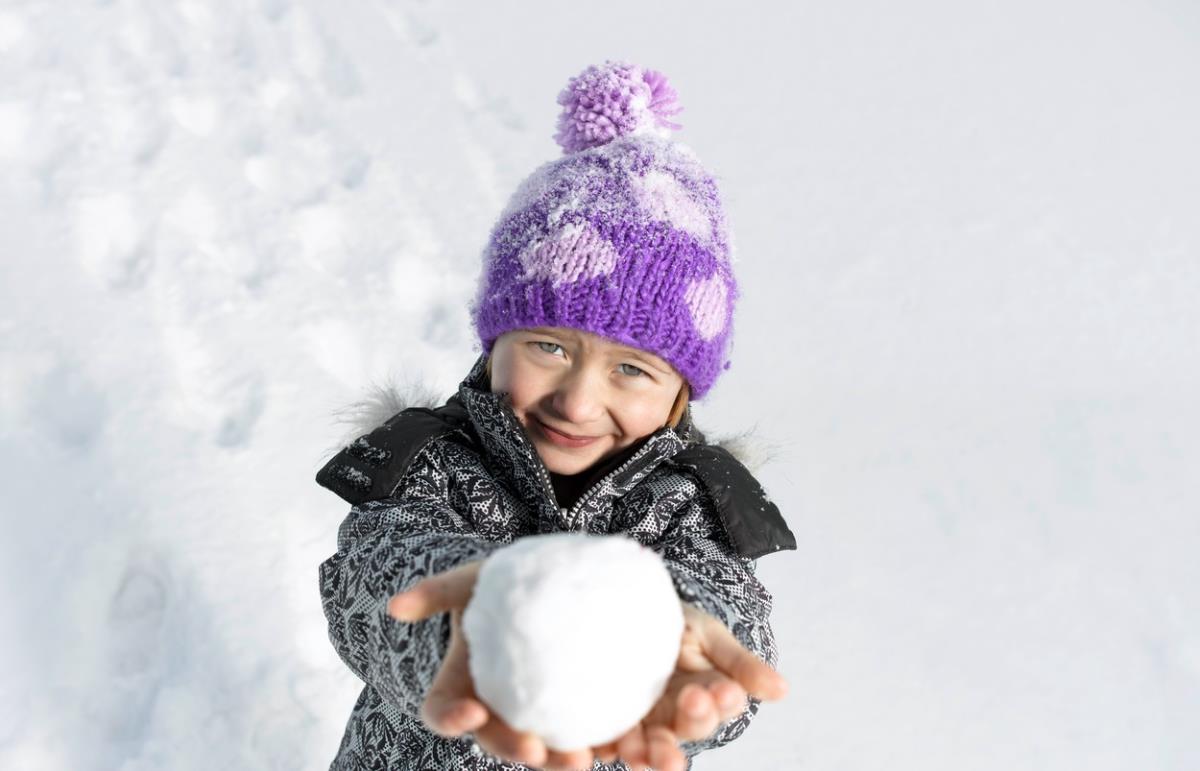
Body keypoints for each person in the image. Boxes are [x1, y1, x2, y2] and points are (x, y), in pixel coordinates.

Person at [316, 61, 797, 770]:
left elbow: (732, 619)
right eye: (548, 346)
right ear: (496, 341)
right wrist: (481, 617)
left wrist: (668, 639)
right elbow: (368, 582)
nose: (576, 400)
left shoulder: (691, 502)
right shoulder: (430, 461)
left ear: (680, 392)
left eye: (631, 368)